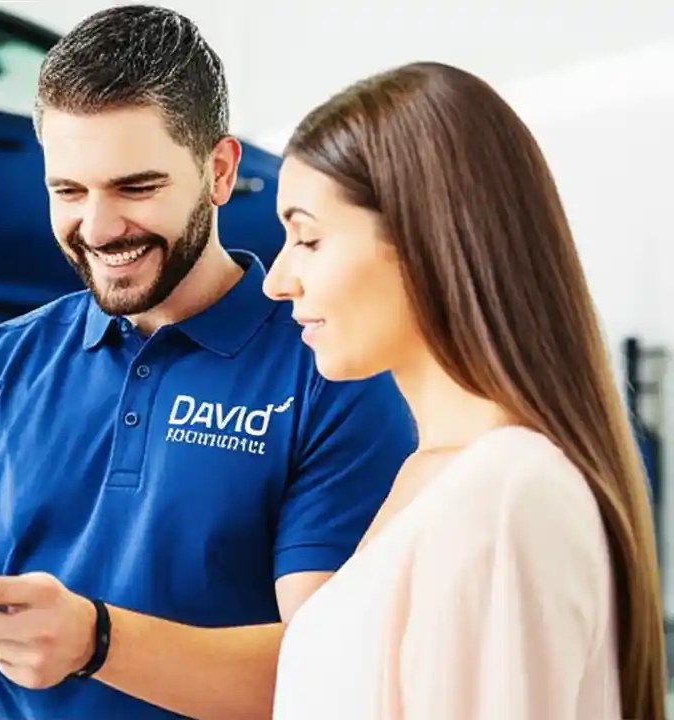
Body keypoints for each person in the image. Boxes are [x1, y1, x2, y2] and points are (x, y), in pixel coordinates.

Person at [0, 6, 418, 719]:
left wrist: (98, 641)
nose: (99, 226)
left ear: (218, 170)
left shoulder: (327, 370)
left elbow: (329, 673)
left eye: (135, 187)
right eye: (69, 191)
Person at [264, 61, 667, 720]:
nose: (278, 279)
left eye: (307, 237)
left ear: (423, 239)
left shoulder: (507, 494)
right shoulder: (438, 480)